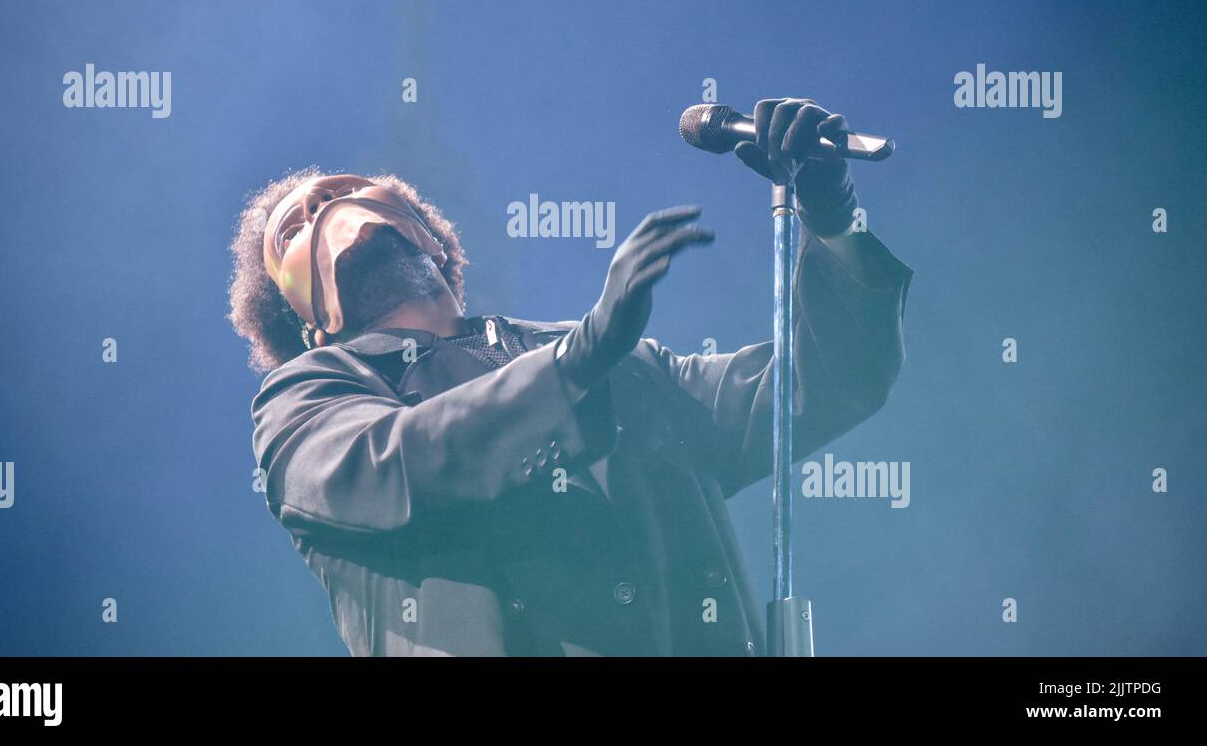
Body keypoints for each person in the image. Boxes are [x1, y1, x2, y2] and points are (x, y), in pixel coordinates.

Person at [228, 98, 913, 655]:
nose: (326, 211)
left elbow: (827, 382)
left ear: (434, 240)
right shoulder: (307, 399)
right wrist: (577, 362)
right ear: (305, 324)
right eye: (294, 228)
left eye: (346, 194)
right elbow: (399, 463)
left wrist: (831, 214)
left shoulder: (626, 363)